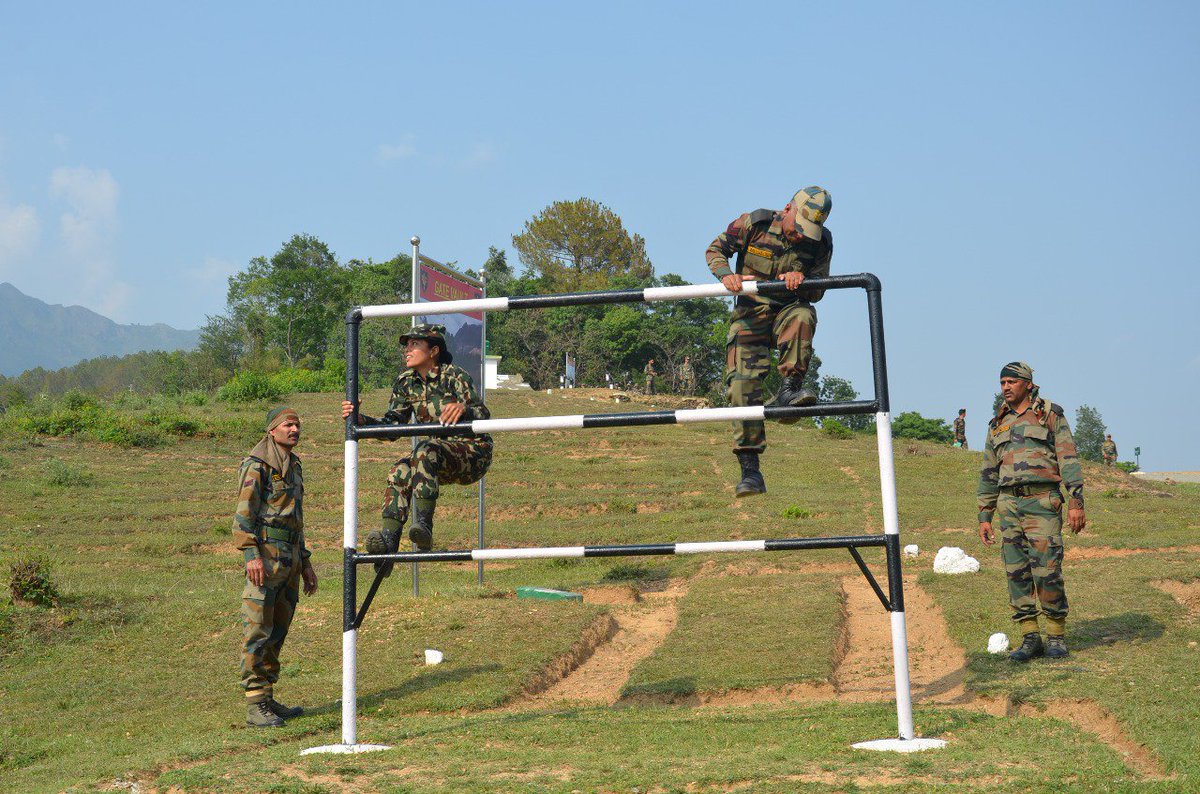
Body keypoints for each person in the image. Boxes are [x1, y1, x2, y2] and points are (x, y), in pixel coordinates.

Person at [706, 186, 833, 497]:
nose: (801, 235)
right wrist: (726, 275)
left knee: (803, 314)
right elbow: (715, 250)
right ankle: (750, 470)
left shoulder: (821, 242)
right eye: (798, 227)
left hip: (788, 310)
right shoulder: (754, 223)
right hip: (750, 315)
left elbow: (819, 289)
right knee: (742, 384)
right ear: (787, 209)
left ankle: (790, 390)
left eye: (808, 231)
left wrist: (803, 283)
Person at [342, 324, 493, 570]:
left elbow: (483, 414)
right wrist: (361, 420)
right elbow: (392, 426)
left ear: (433, 351)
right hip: (434, 458)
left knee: (423, 450)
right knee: (399, 470)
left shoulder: (454, 375)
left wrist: (464, 409)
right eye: (406, 345)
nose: (407, 350)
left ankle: (424, 527)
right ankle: (388, 545)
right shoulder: (405, 382)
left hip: (473, 452)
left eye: (414, 344)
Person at [977, 362, 1086, 662]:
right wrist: (985, 514)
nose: (1006, 387)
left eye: (1011, 382)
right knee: (1017, 572)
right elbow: (988, 471)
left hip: (1042, 502)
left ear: (1027, 383)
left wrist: (1076, 501)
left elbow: (1068, 458)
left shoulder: (1049, 414)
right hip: (1008, 505)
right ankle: (1030, 637)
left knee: (1047, 570)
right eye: (1002, 383)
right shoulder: (997, 423)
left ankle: (1056, 636)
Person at [233, 406, 318, 727]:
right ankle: (255, 703)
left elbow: (296, 518)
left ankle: (266, 696)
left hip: (290, 557)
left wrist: (305, 562)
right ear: (272, 430)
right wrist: (251, 555)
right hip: (265, 557)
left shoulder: (293, 465)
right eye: (288, 425)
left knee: (279, 628)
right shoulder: (257, 465)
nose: (294, 430)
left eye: (297, 425)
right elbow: (244, 515)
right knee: (258, 628)